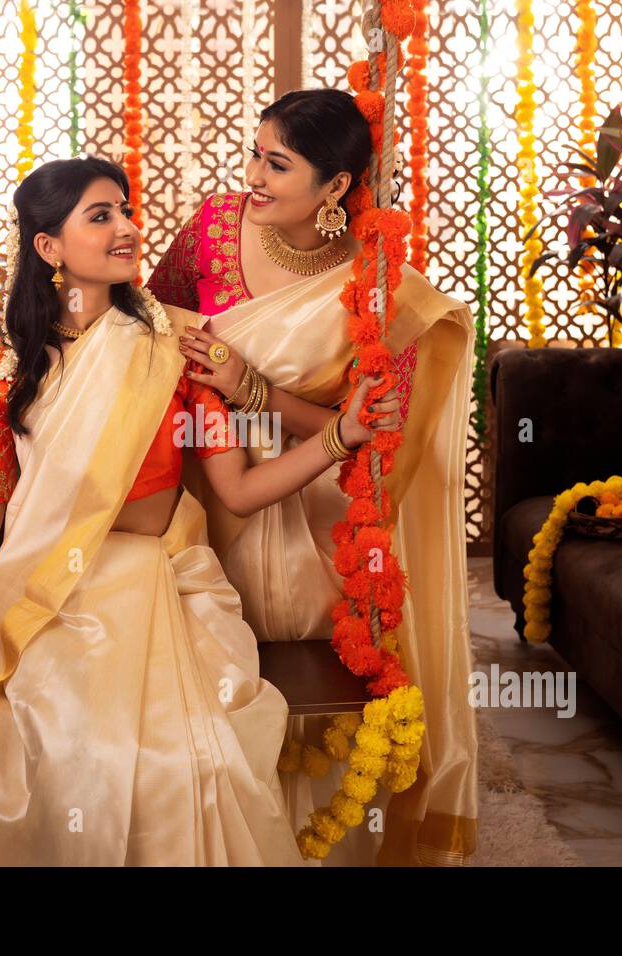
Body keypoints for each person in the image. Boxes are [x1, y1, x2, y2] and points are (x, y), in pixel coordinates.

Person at [0, 156, 396, 865]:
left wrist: (341, 435)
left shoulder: (178, 346)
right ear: (49, 247)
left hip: (162, 585)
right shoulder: (1, 371)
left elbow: (238, 489)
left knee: (195, 769)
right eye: (102, 216)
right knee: (79, 759)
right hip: (52, 598)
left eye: (126, 211)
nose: (129, 228)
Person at [147, 88, 479, 866]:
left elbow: (372, 433)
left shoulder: (375, 285)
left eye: (278, 164)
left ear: (335, 187)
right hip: (207, 485)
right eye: (255, 153)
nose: (253, 176)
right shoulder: (213, 227)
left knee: (313, 693)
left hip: (318, 499)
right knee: (216, 680)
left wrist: (254, 389)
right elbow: (151, 333)